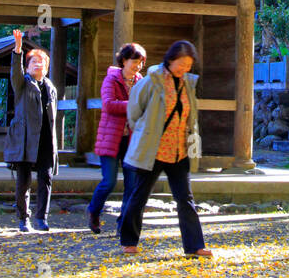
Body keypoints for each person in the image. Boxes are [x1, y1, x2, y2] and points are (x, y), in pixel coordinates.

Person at [119, 39, 212, 259]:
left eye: (188, 65)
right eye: (181, 63)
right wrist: (144, 131)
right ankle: (129, 240)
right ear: (170, 60)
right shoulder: (152, 80)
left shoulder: (188, 83)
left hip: (179, 149)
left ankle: (194, 246)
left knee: (185, 198)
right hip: (154, 149)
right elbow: (134, 110)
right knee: (139, 195)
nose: (184, 68)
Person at [87, 42, 146, 234]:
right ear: (124, 60)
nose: (138, 65)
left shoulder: (141, 81)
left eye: (141, 62)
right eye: (134, 61)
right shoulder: (111, 79)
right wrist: (134, 104)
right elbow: (109, 105)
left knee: (132, 184)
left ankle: (124, 224)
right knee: (109, 181)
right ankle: (94, 211)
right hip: (111, 138)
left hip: (132, 141)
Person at [4, 28, 58, 233]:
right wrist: (18, 49)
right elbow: (14, 73)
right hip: (25, 139)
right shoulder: (22, 85)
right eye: (34, 62)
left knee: (46, 178)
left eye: (42, 62)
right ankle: (22, 218)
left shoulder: (50, 87)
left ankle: (41, 218)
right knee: (23, 181)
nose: (38, 65)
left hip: (45, 139)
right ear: (27, 67)